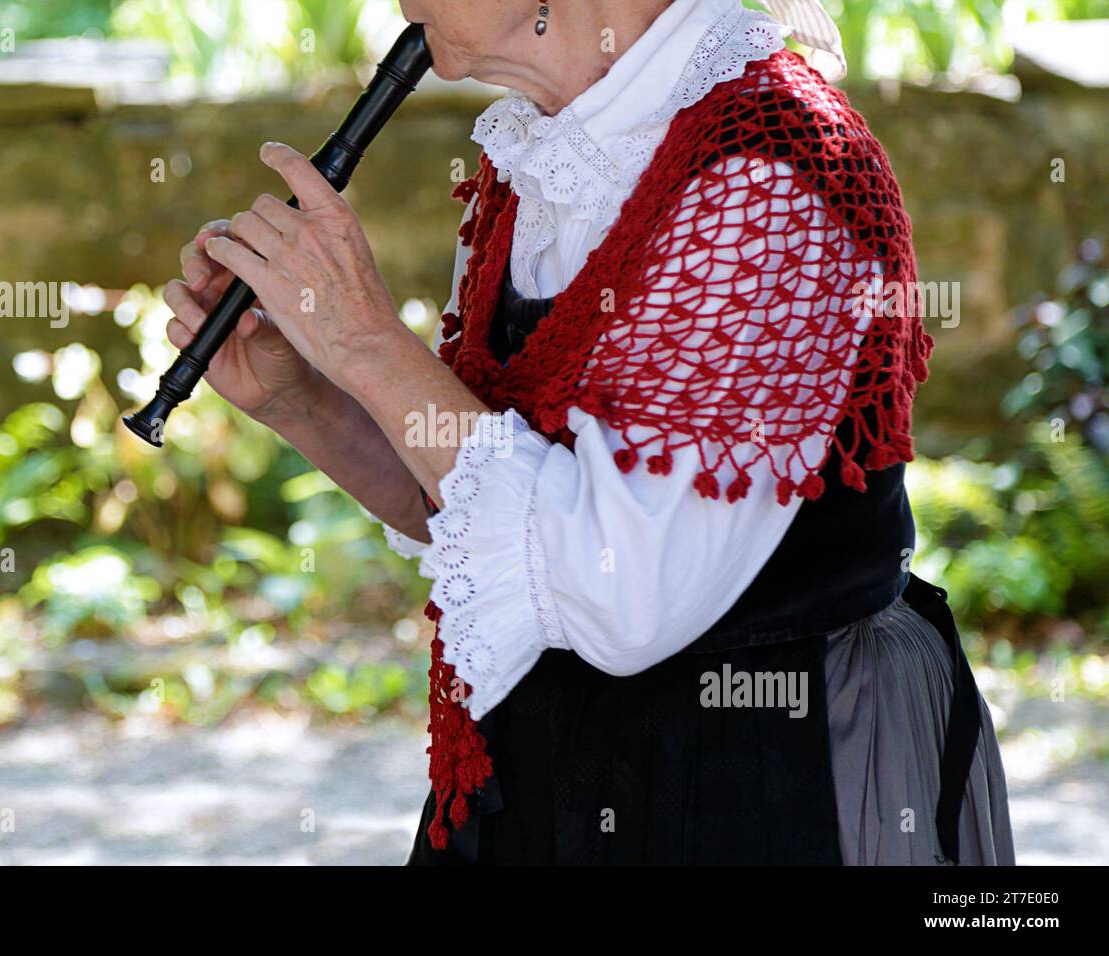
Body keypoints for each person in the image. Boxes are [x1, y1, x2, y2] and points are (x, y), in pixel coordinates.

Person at [162, 0, 1014, 865]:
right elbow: (489, 506)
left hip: (758, 776)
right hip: (552, 770)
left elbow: (623, 597)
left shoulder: (774, 172)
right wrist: (306, 399)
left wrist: (367, 344)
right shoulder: (543, 156)